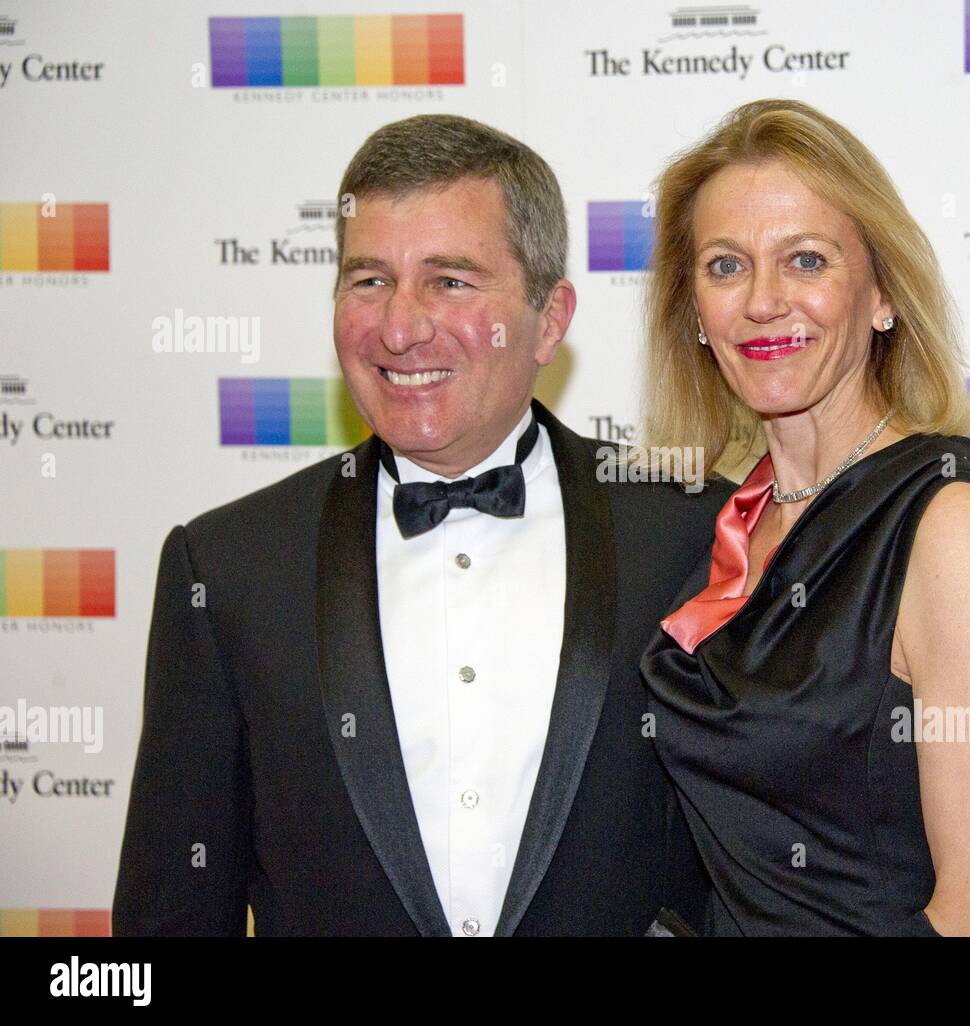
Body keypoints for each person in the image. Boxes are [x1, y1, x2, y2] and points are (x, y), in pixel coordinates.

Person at [112, 114, 729, 937]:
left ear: (549, 318)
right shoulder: (225, 569)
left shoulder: (701, 532)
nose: (400, 327)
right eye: (368, 280)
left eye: (450, 281)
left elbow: (762, 874)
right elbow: (172, 914)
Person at [639, 99, 970, 936]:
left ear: (882, 295)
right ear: (694, 312)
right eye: (726, 267)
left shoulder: (950, 526)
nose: (763, 302)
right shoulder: (733, 518)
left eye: (805, 260)